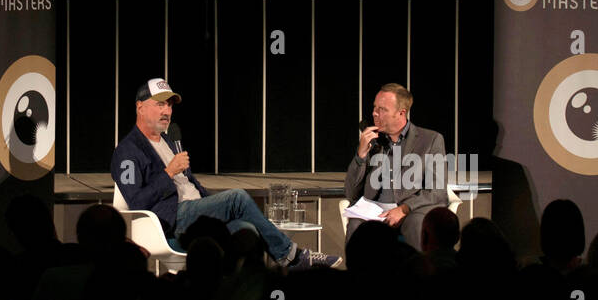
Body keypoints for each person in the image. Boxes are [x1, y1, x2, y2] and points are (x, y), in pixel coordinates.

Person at [112, 78, 340, 270]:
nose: (167, 111)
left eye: (170, 105)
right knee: (237, 197)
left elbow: (190, 185)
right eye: (160, 104)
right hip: (170, 221)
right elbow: (135, 202)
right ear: (140, 107)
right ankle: (293, 257)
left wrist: (211, 202)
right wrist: (169, 171)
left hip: (195, 211)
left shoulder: (169, 140)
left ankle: (240, 299)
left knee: (246, 231)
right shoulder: (128, 151)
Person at [345, 83, 448, 250]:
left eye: (382, 109)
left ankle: (419, 273)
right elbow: (351, 192)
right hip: (375, 211)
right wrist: (361, 155)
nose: (374, 113)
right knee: (356, 226)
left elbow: (437, 191)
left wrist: (404, 209)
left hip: (411, 210)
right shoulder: (372, 142)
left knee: (416, 223)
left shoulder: (430, 140)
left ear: (401, 113)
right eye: (374, 107)